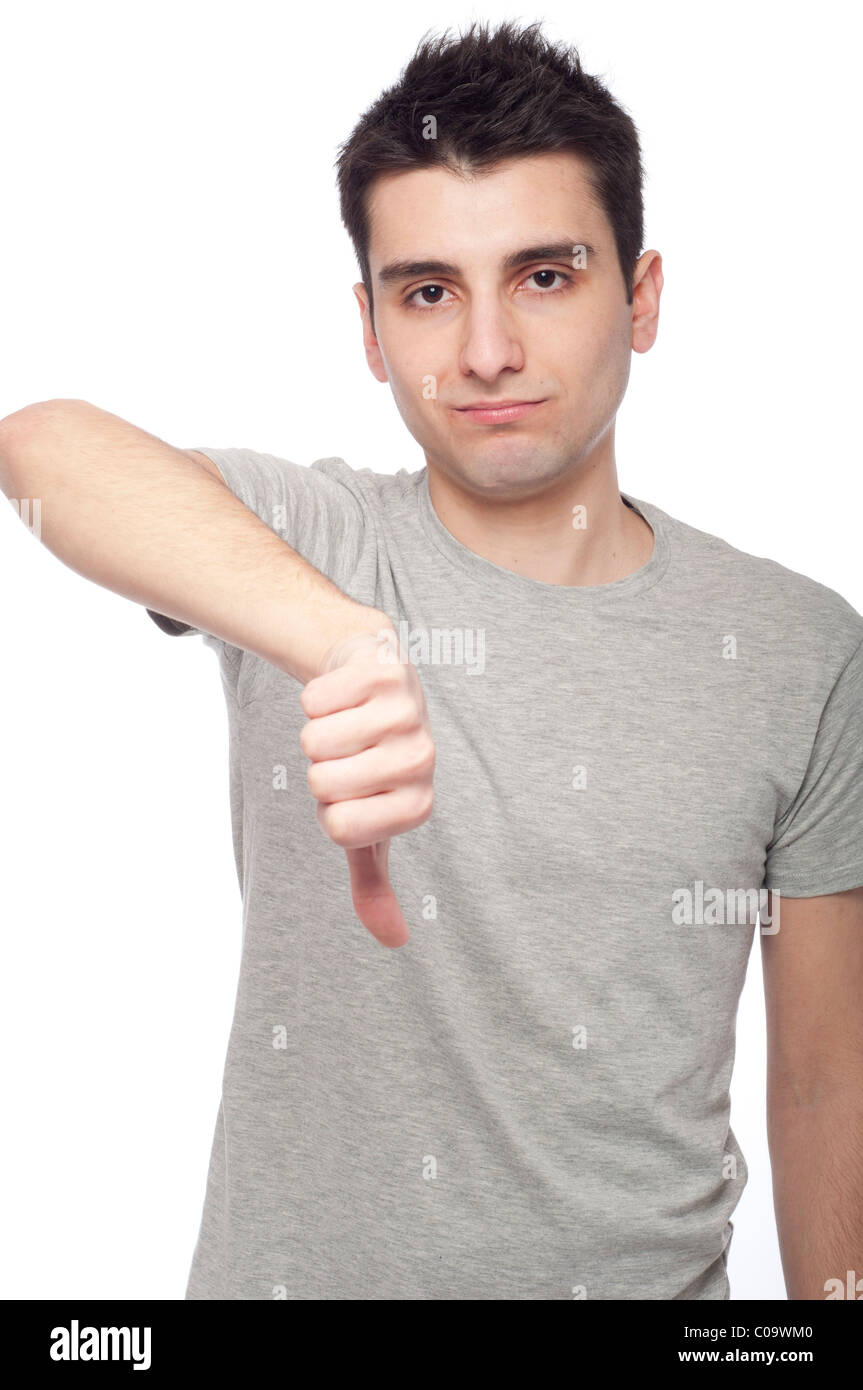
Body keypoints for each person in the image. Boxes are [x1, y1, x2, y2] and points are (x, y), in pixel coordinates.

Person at [2, 19, 862, 1302]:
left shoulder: (800, 650)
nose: (484, 353)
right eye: (427, 291)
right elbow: (43, 450)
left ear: (642, 297)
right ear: (368, 327)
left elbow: (819, 1076)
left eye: (545, 275)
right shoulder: (305, 539)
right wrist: (338, 637)